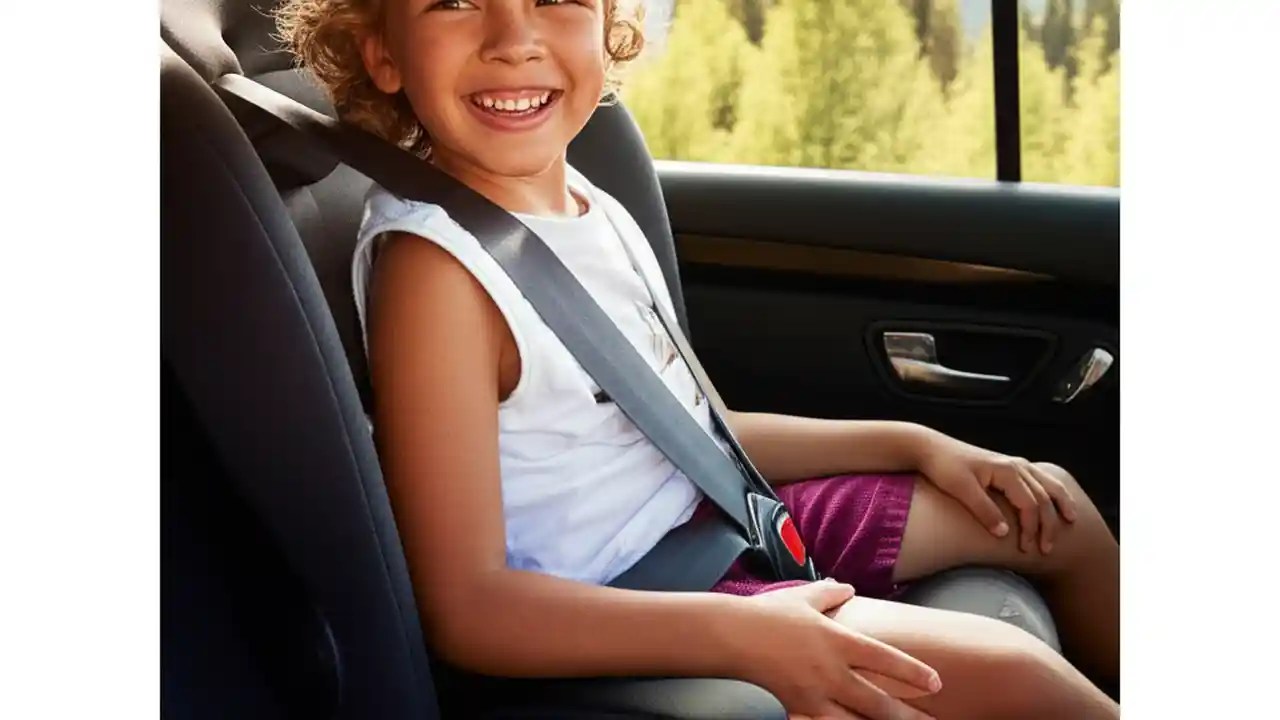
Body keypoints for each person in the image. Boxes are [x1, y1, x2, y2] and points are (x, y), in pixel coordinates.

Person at [276, 1, 1120, 718]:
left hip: (720, 522)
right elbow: (466, 609)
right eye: (455, 1)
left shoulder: (590, 205)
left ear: (609, 25)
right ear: (382, 53)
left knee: (1055, 511)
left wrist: (915, 443)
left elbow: (702, 430)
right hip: (630, 606)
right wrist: (744, 634)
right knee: (1017, 673)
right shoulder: (438, 272)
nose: (513, 37)